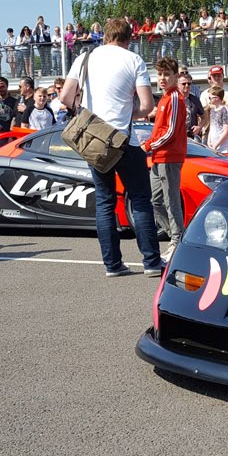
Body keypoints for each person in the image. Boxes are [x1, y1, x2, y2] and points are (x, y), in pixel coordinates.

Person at [58, 17, 164, 278]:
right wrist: (130, 111)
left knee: (105, 202)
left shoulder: (85, 57)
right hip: (122, 140)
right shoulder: (133, 60)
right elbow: (148, 106)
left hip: (94, 139)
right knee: (140, 198)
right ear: (128, 38)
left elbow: (64, 97)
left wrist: (84, 112)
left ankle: (113, 265)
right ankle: (151, 261)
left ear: (105, 36)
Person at [144, 58, 188, 259]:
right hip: (159, 156)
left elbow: (169, 132)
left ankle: (177, 241)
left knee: (170, 201)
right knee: (155, 200)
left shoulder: (174, 99)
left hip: (169, 156)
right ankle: (177, 239)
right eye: (160, 74)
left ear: (175, 76)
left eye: (167, 74)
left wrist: (147, 145)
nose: (162, 78)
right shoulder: (164, 98)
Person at [206, 86, 228, 153]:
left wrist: (216, 145)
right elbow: (211, 127)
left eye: (210, 98)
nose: (209, 100)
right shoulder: (212, 110)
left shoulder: (224, 110)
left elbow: (226, 131)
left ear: (217, 98)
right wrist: (209, 141)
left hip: (224, 148)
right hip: (213, 145)